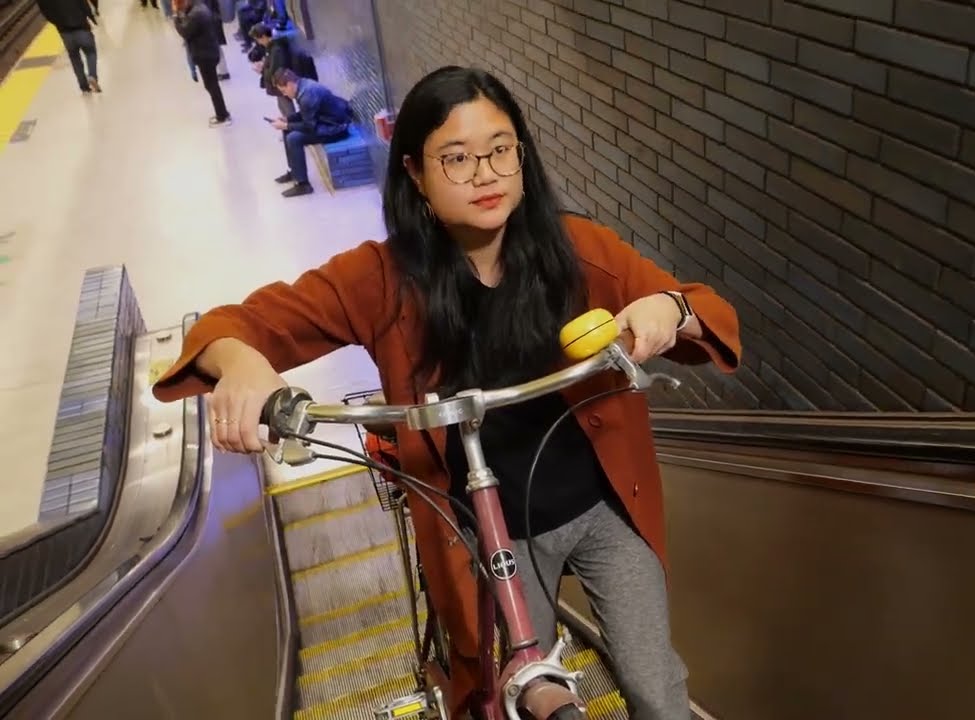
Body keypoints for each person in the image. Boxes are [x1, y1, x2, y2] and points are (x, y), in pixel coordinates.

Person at [151, 66, 741, 719]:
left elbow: (702, 308)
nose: (485, 174)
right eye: (456, 159)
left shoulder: (575, 249)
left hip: (605, 509)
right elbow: (234, 326)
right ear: (415, 173)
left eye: (500, 150)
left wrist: (668, 308)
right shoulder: (380, 278)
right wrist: (241, 365)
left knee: (656, 685)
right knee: (510, 692)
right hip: (489, 530)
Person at [268, 69, 353, 197]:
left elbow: (309, 127)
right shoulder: (304, 86)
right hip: (325, 122)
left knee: (294, 138)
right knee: (288, 131)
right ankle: (295, 171)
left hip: (335, 129)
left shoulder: (307, 95)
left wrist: (286, 125)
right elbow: (306, 114)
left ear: (290, 84)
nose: (284, 94)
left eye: (284, 90)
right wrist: (287, 120)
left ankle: (303, 185)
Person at [173, 0, 231, 126]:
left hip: (205, 55)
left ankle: (222, 116)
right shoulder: (198, 7)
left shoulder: (196, 14)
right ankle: (222, 113)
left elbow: (185, 32)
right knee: (212, 85)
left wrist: (176, 18)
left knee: (211, 86)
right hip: (208, 51)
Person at [34, 0, 101, 94]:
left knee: (74, 58)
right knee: (90, 52)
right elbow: (83, 4)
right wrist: (91, 17)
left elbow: (46, 12)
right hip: (81, 26)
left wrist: (58, 23)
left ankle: (84, 87)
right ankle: (92, 76)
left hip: (64, 32)